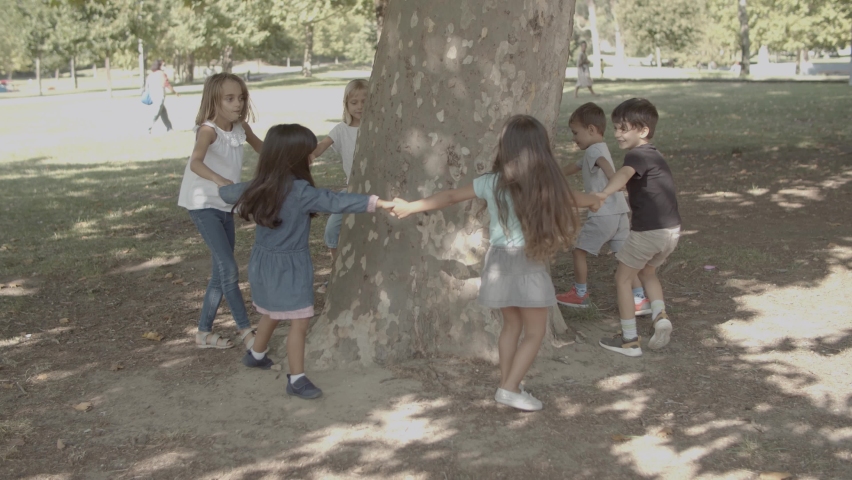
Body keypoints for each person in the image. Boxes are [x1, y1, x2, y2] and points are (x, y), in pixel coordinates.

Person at [391, 115, 601, 412]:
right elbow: (574, 199)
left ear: (505, 147)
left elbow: (451, 196)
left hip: (498, 261)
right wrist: (593, 200)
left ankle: (509, 384)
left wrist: (412, 206)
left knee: (511, 326)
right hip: (527, 263)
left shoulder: (492, 182)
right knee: (535, 332)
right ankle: (509, 387)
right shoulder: (546, 183)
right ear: (540, 148)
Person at [219, 124, 395, 400]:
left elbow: (227, 194)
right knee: (299, 321)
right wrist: (379, 203)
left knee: (272, 311)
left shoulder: (260, 185)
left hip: (262, 263)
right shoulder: (301, 191)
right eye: (308, 153)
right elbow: (337, 201)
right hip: (291, 267)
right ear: (294, 158)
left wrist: (229, 189)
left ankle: (256, 354)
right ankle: (297, 379)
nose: (313, 156)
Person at [177, 73, 263, 351]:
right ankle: (246, 331)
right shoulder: (208, 129)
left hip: (225, 204)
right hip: (203, 204)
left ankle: (203, 333)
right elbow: (195, 163)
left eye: (241, 97)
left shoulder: (241, 127)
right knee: (228, 268)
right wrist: (219, 180)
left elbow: (264, 149)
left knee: (219, 273)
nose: (237, 103)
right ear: (214, 100)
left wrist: (287, 160)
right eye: (230, 98)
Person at [594, 98, 681, 357]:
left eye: (624, 128)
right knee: (648, 273)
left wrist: (603, 194)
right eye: (616, 128)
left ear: (643, 131)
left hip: (648, 232)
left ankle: (630, 340)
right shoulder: (654, 155)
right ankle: (660, 316)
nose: (618, 134)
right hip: (671, 232)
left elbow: (622, 175)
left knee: (622, 279)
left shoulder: (636, 155)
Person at [555, 103, 650, 316]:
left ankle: (580, 294)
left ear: (590, 129)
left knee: (579, 251)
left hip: (603, 213)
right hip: (620, 214)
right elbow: (576, 166)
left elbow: (605, 165)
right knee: (626, 258)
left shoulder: (595, 151)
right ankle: (639, 299)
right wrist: (555, 174)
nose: (573, 138)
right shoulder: (598, 147)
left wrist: (611, 178)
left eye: (575, 132)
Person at [310, 79, 368, 293]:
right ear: (346, 104)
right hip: (351, 190)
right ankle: (338, 272)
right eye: (354, 102)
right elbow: (322, 146)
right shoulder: (341, 129)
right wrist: (310, 155)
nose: (360, 106)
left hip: (375, 190)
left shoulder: (377, 127)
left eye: (364, 101)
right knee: (332, 232)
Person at [145, 60, 179, 133]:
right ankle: (147, 128)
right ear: (159, 66)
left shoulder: (151, 75)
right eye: (163, 65)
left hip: (152, 96)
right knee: (156, 113)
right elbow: (166, 84)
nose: (165, 67)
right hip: (159, 96)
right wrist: (175, 92)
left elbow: (147, 87)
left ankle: (169, 128)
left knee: (163, 112)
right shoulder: (161, 74)